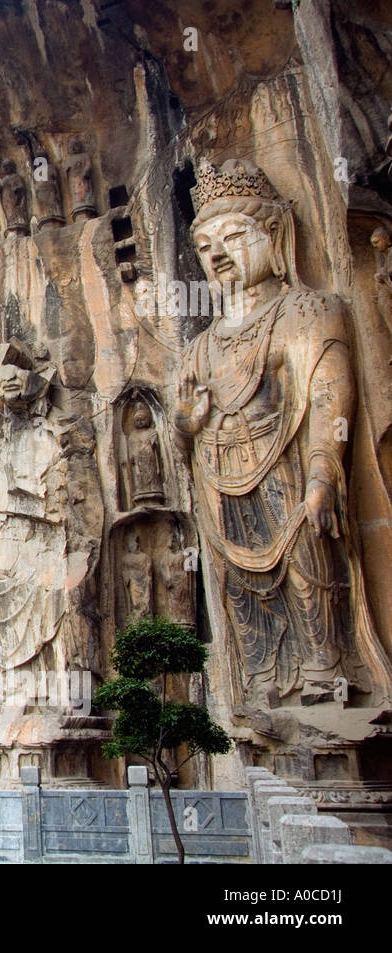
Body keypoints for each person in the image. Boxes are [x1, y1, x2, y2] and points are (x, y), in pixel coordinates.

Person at [173, 159, 392, 709]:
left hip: (287, 467)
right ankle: (266, 687)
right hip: (222, 481)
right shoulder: (200, 345)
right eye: (205, 247)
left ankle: (330, 676)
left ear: (273, 234)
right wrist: (186, 423)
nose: (217, 256)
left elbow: (328, 397)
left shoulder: (307, 310)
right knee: (245, 600)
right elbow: (183, 436)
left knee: (309, 571)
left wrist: (322, 472)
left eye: (233, 237)